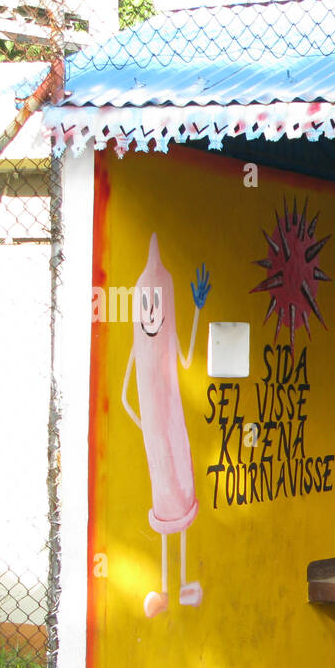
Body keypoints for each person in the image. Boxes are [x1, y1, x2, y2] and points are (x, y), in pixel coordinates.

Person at [120, 234, 208, 616]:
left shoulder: (166, 336)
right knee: (166, 501)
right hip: (158, 440)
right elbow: (125, 396)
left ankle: (185, 580)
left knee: (182, 493)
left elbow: (186, 360)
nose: (153, 313)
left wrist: (198, 310)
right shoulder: (138, 346)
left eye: (158, 303)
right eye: (147, 305)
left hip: (172, 436)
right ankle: (162, 587)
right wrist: (147, 429)